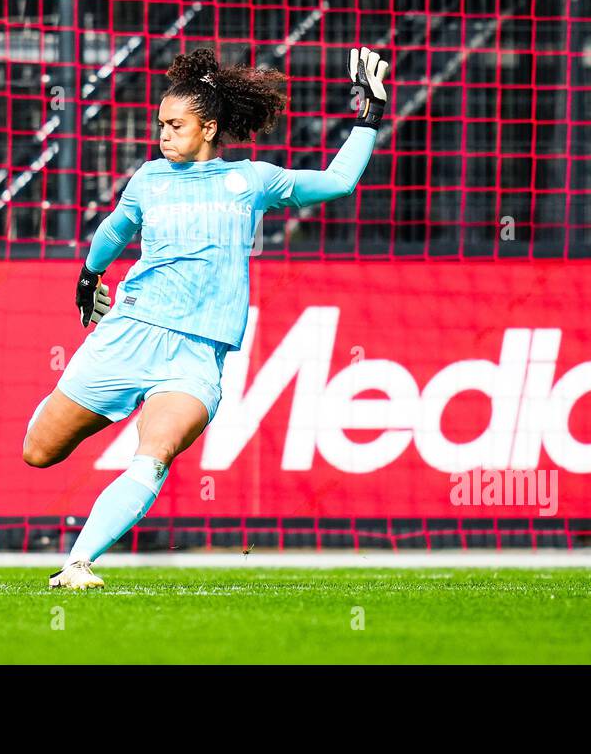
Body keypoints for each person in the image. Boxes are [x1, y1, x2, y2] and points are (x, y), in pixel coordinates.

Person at [22, 45, 390, 589]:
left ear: (210, 127)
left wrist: (368, 116)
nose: (163, 134)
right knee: (39, 451)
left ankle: (77, 564)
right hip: (127, 336)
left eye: (175, 124)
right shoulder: (149, 179)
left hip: (195, 356)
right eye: (160, 124)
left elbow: (337, 182)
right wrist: (89, 275)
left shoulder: (251, 181)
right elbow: (116, 230)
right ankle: (99, 401)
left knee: (154, 454)